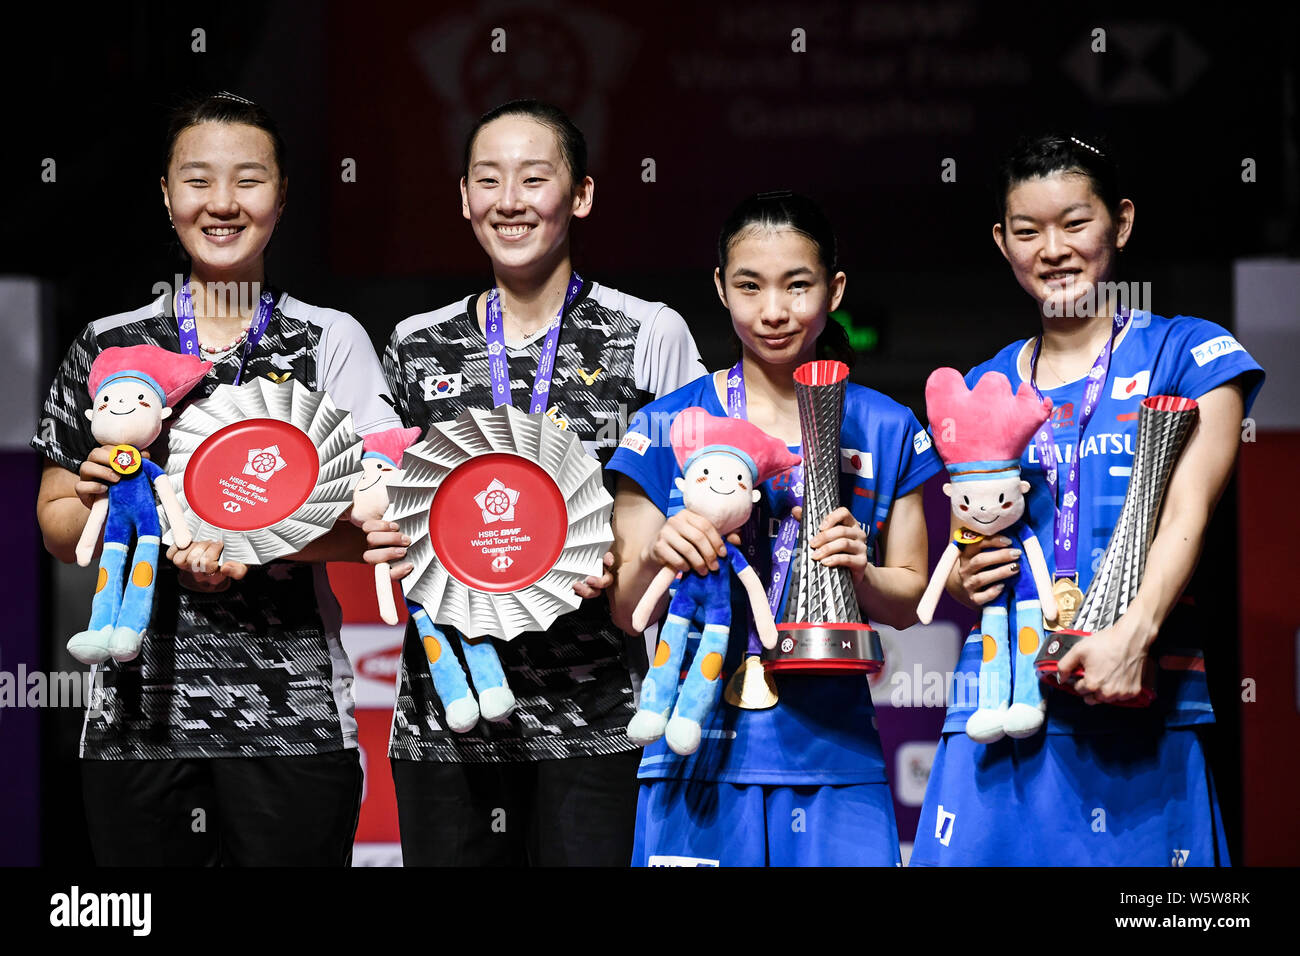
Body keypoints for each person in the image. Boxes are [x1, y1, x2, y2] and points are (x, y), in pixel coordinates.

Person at [33, 91, 402, 866]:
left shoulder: (331, 341)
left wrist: (256, 543)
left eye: (249, 180)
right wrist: (101, 502)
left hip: (293, 717)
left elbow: (376, 523)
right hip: (136, 721)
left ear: (283, 194)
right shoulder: (109, 344)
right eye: (198, 180)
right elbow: (59, 527)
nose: (223, 203)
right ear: (167, 196)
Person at [363, 99, 705, 866]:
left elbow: (701, 497)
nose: (509, 200)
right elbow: (382, 491)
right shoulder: (417, 346)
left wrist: (630, 554)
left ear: (579, 195)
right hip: (446, 726)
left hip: (600, 718)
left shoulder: (649, 334)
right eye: (489, 180)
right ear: (463, 198)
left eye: (533, 178)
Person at [910, 133, 1265, 866]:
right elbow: (966, 536)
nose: (1054, 249)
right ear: (1003, 242)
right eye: (1028, 230)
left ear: (1121, 223)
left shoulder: (1189, 354)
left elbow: (1188, 511)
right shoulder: (985, 384)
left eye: (1075, 223)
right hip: (1001, 711)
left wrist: (1134, 637)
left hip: (1142, 701)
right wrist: (971, 571)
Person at [606, 191, 943, 866]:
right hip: (692, 750)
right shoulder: (665, 426)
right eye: (749, 286)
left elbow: (910, 604)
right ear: (720, 288)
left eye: (798, 285)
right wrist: (657, 552)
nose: (773, 311)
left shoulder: (886, 426)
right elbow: (622, 607)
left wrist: (862, 572)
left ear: (835, 289)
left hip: (836, 755)